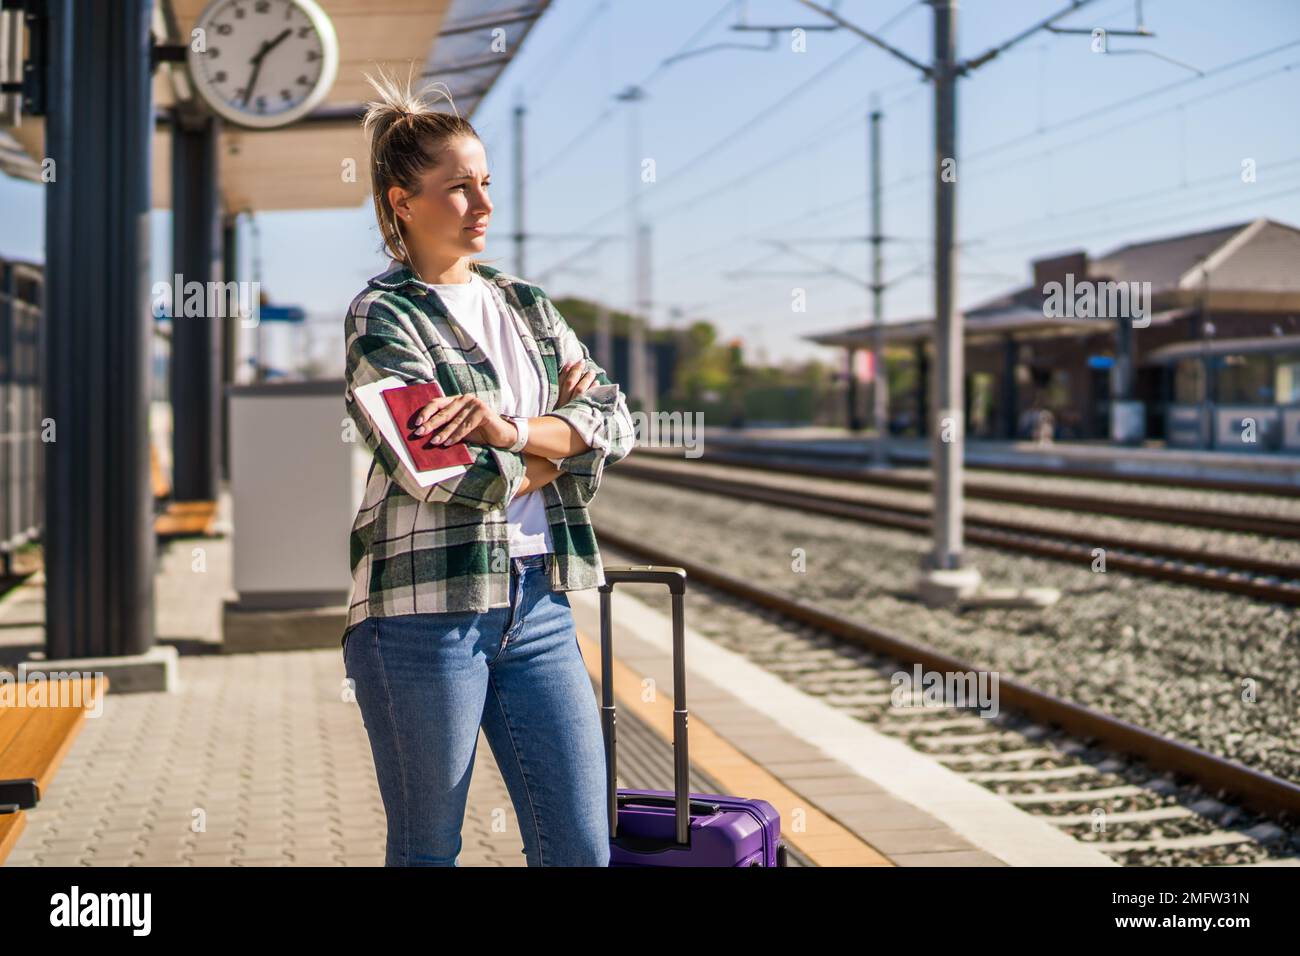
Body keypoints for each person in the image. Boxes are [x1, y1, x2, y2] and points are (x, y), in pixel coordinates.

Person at [340, 67, 636, 867]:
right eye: (457, 188)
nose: (482, 205)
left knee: (579, 845)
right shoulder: (383, 315)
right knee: (430, 846)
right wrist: (553, 456)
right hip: (422, 616)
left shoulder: (526, 304)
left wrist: (506, 427)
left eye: (485, 183)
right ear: (403, 203)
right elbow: (439, 473)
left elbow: (616, 418)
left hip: (538, 601)